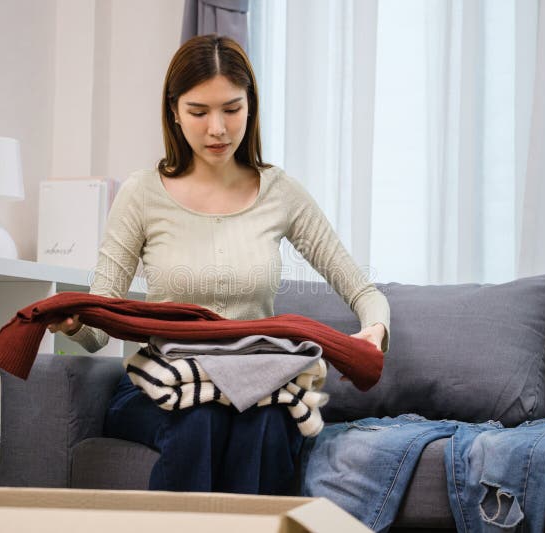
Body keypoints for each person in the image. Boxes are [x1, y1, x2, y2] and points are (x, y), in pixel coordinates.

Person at [47, 34, 390, 495]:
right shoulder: (142, 193)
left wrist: (374, 330)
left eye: (231, 109)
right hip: (164, 383)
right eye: (198, 111)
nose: (217, 129)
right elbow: (99, 329)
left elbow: (364, 291)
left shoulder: (280, 192)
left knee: (265, 421)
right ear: (173, 111)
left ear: (251, 107)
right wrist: (74, 324)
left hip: (254, 384)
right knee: (201, 416)